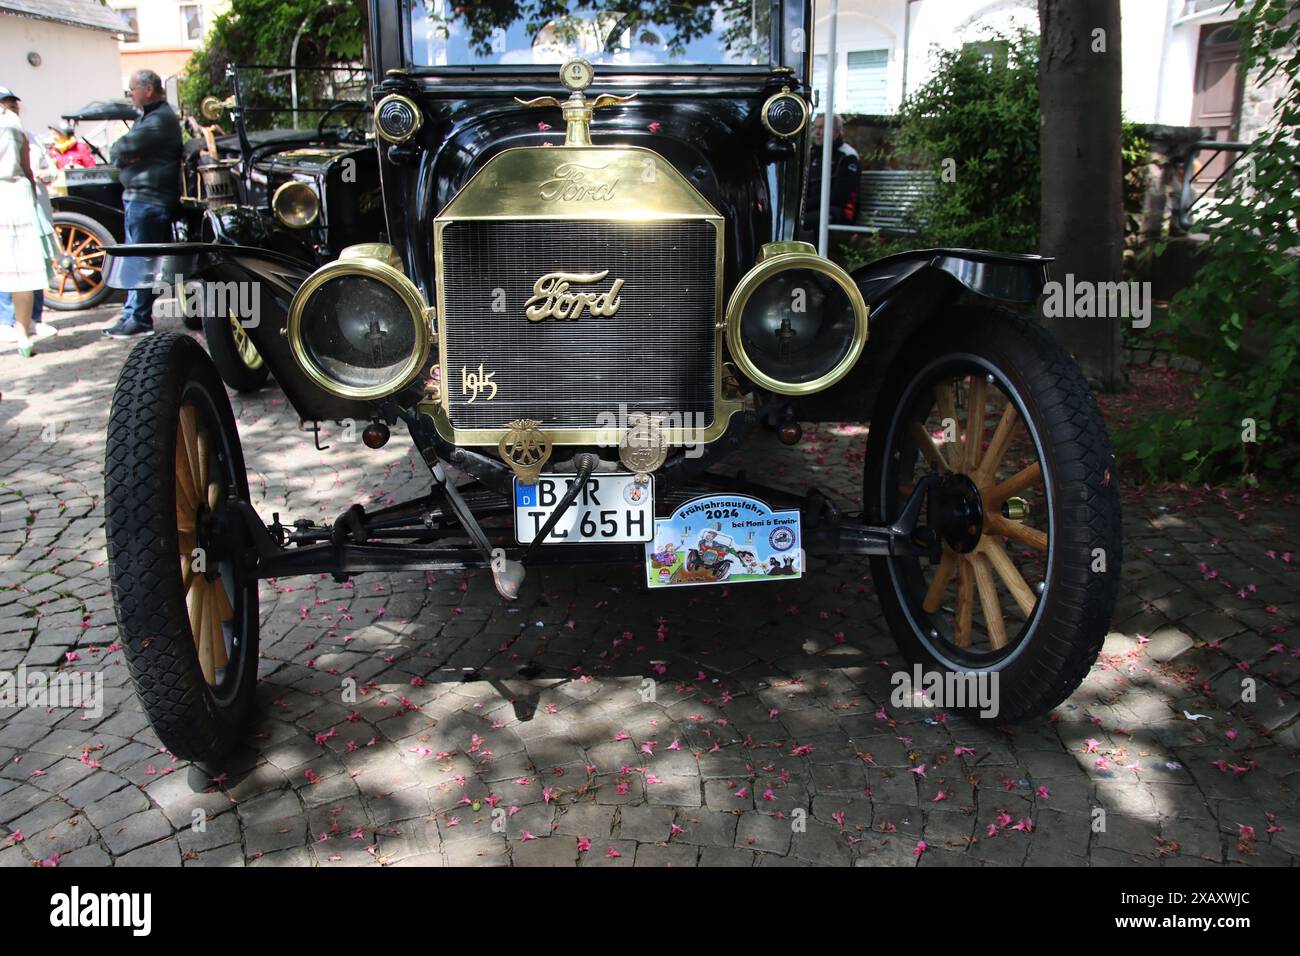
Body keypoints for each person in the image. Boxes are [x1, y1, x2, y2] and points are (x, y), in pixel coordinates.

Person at [102, 68, 182, 339]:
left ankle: (139, 318)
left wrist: (125, 155)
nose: (131, 94)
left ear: (148, 89)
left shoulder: (159, 119)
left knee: (142, 261)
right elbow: (121, 149)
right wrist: (124, 154)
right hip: (141, 197)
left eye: (133, 89)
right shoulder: (150, 117)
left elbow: (122, 148)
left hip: (150, 199)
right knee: (135, 260)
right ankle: (130, 314)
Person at [0, 86, 58, 358]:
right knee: (22, 272)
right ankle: (23, 335)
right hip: (17, 194)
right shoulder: (13, 122)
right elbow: (27, 167)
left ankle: (13, 326)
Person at [802, 113, 860, 231]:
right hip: (814, 208)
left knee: (804, 222)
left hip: (839, 211)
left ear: (837, 132)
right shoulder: (812, 153)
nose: (817, 133)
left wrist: (804, 206)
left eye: (822, 128)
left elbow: (839, 195)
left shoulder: (848, 156)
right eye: (815, 127)